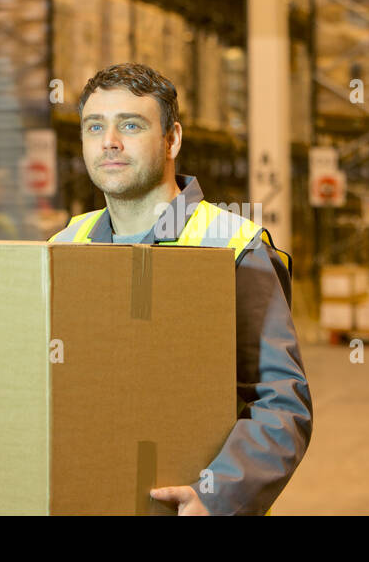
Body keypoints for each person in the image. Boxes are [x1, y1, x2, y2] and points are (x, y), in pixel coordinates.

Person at [48, 63, 312, 515]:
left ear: (172, 140)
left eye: (131, 125)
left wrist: (217, 493)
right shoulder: (64, 246)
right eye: (95, 127)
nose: (110, 141)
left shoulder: (232, 245)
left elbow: (281, 401)